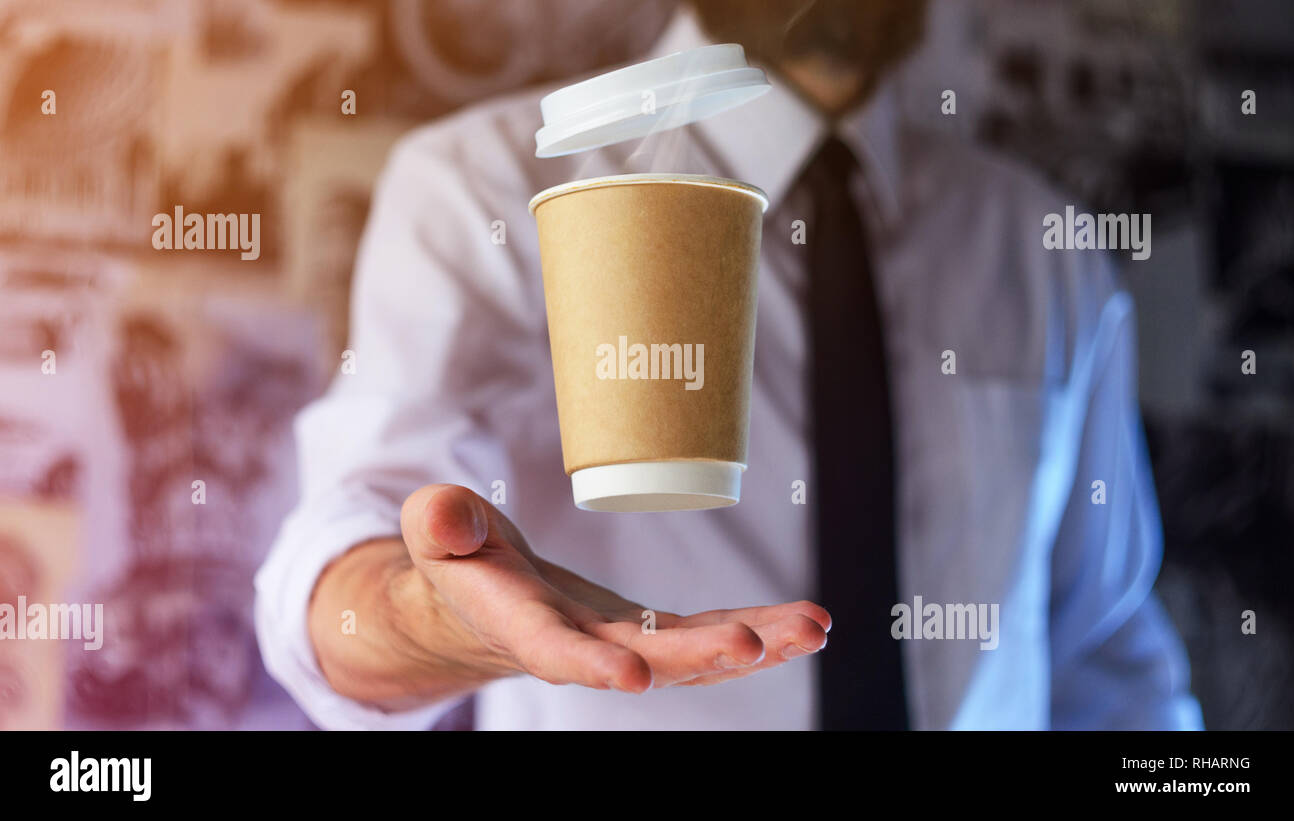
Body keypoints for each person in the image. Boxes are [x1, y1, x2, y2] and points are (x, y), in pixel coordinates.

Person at [254, 0, 1204, 730]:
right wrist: (441, 615)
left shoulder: (1037, 245)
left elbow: (1102, 646)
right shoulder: (487, 191)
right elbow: (339, 560)